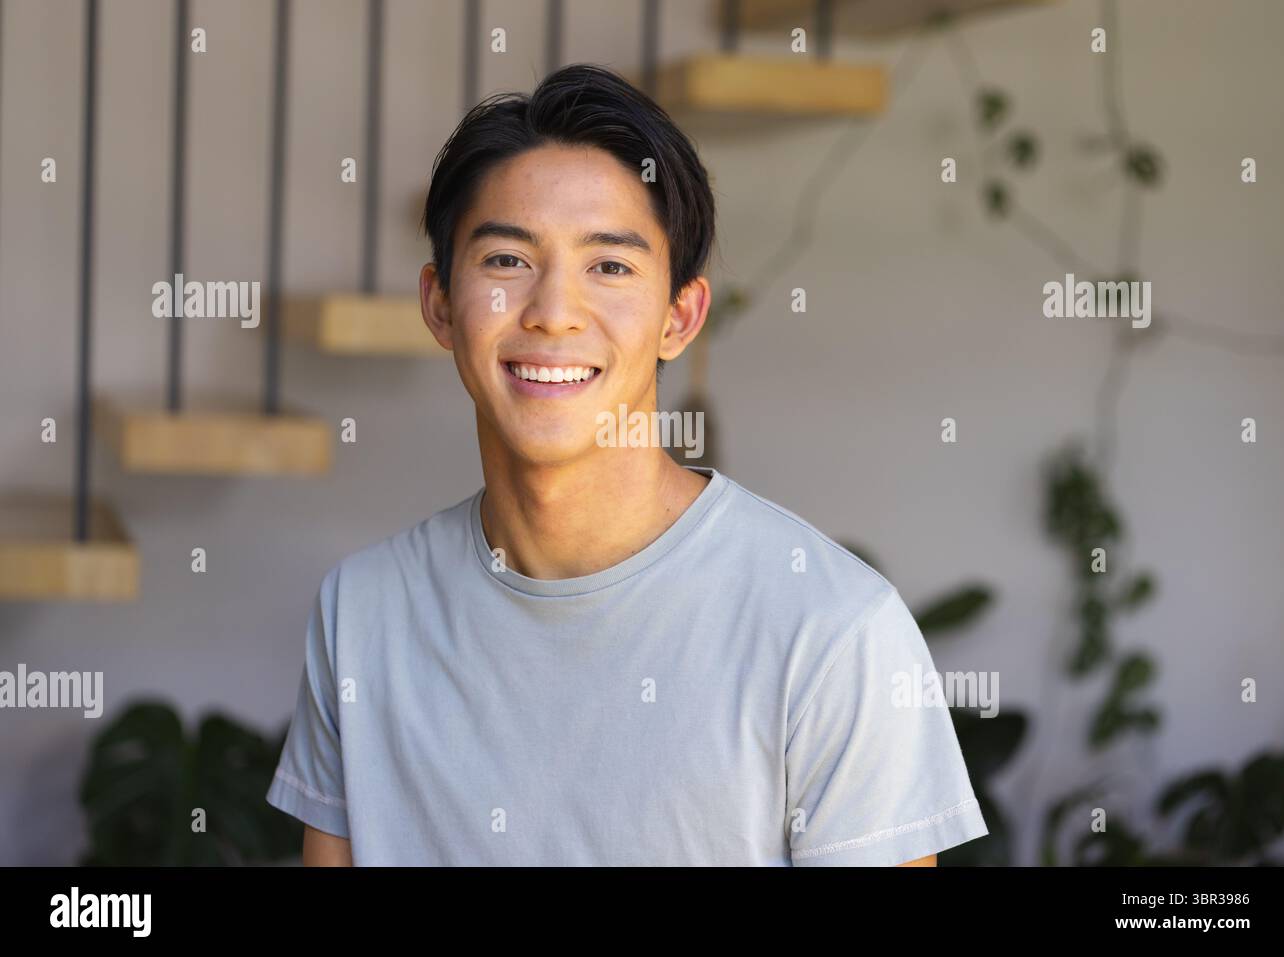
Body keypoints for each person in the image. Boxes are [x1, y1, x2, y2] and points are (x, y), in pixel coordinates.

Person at [265, 63, 988, 867]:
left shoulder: (832, 630)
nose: (553, 313)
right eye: (507, 259)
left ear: (680, 316)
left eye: (609, 266)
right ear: (439, 303)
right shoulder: (362, 613)